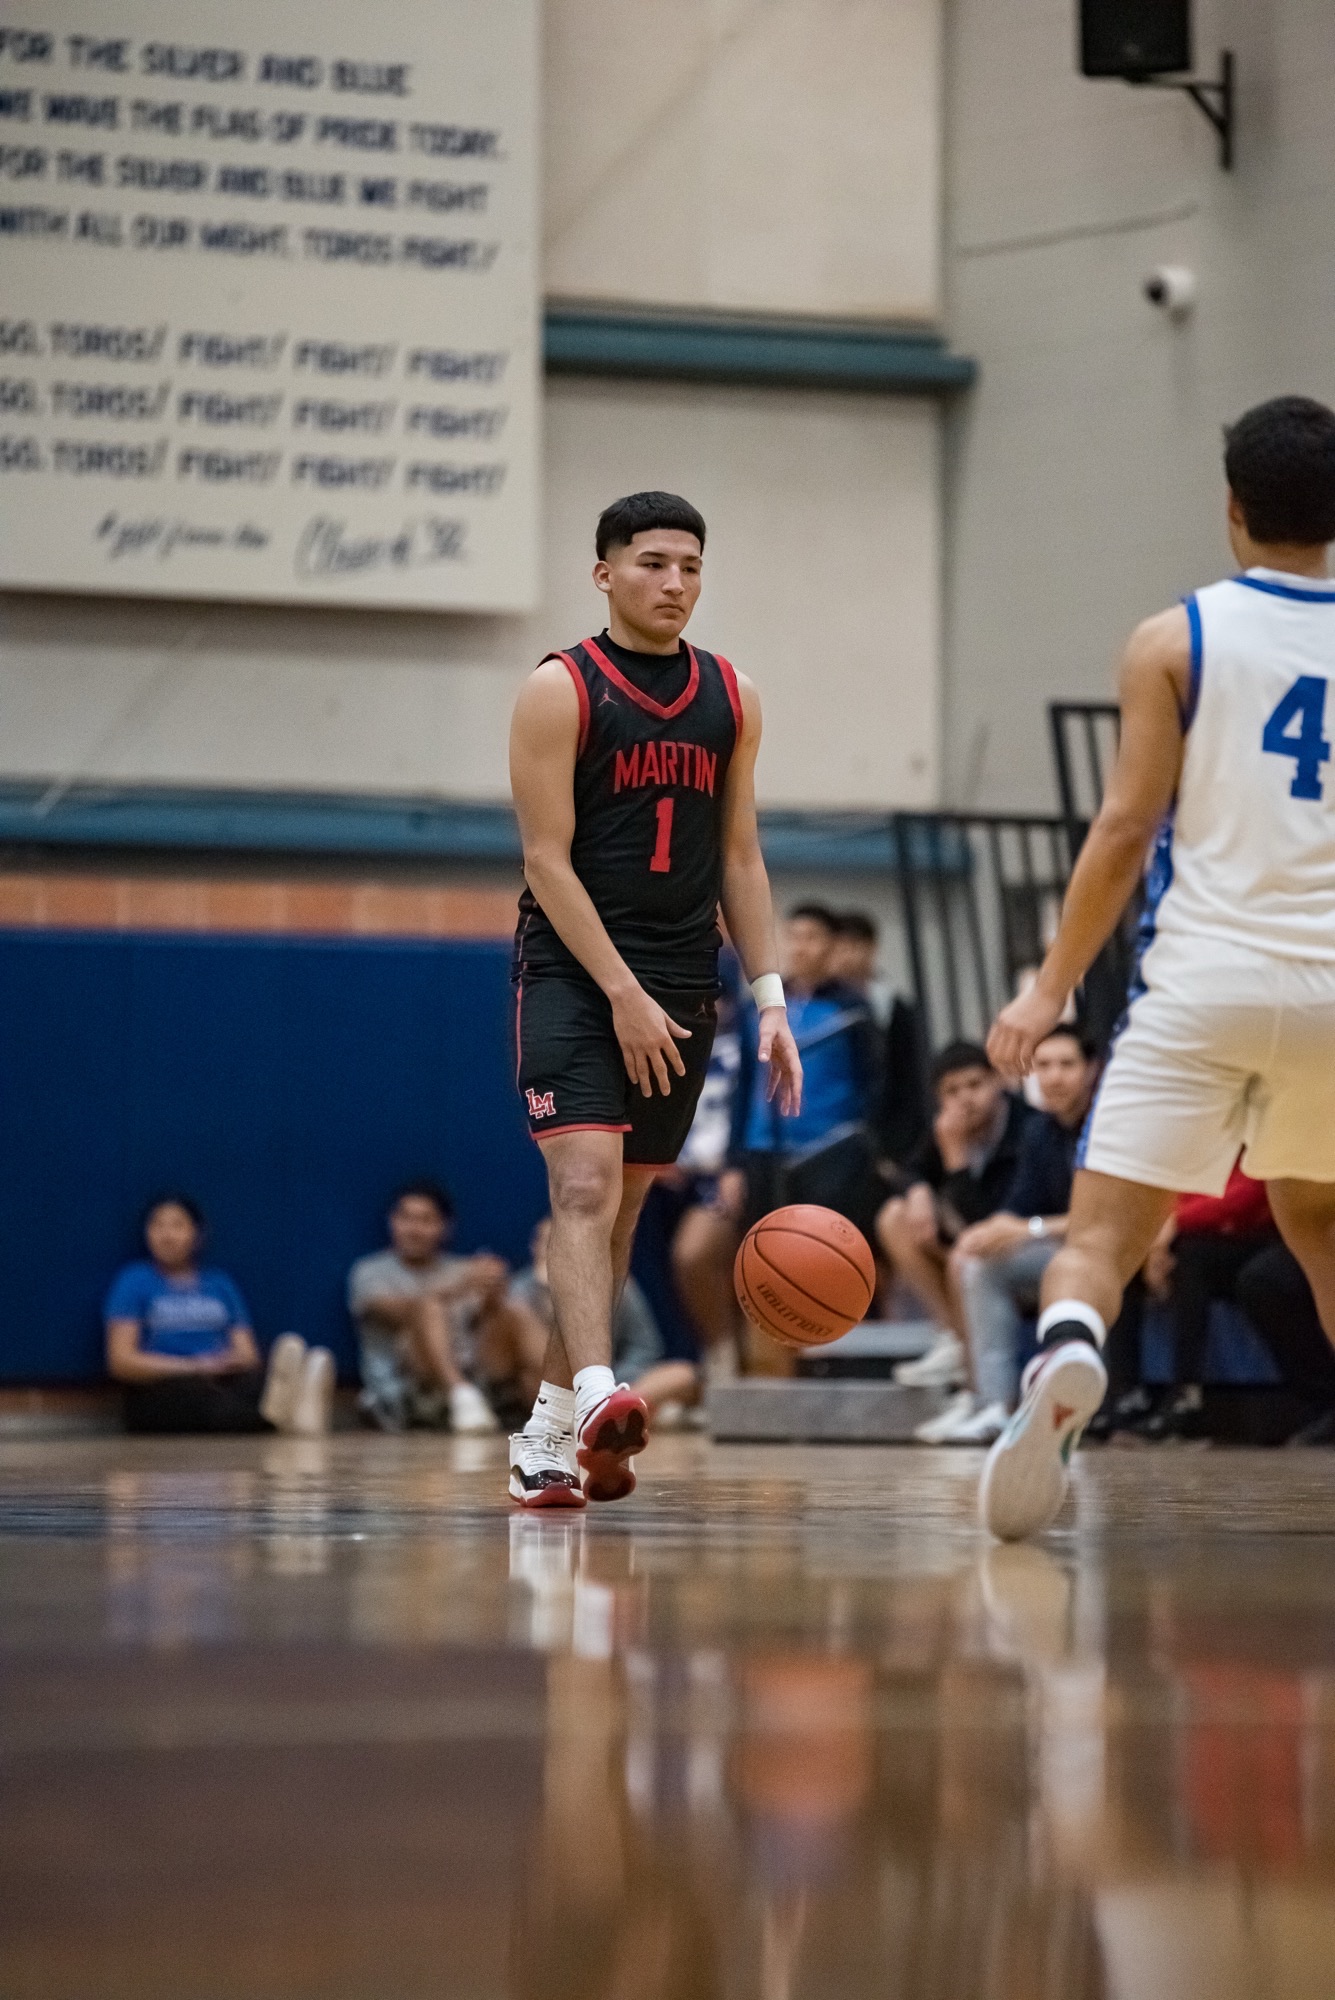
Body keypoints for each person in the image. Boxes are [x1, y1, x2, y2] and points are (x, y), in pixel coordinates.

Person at [981, 395, 1335, 1540]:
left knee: (1097, 1245)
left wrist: (1047, 988)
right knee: (1321, 1222)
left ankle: (1072, 1355)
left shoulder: (1174, 637)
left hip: (1205, 983)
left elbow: (1126, 829)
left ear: (1231, 507)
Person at [507, 490, 802, 1507]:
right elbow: (546, 860)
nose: (673, 582)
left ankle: (548, 1432)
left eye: (689, 565)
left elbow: (741, 856)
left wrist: (769, 998)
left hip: (683, 979)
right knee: (582, 1190)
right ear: (604, 573)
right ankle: (597, 1392)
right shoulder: (560, 689)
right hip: (576, 974)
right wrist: (620, 989)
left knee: (621, 1207)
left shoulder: (732, 695)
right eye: (651, 563)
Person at [915, 1026, 1099, 1446]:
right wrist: (986, 1231)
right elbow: (1009, 1214)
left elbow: (1108, 1219)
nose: (1054, 1077)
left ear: (1092, 1070)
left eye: (1067, 1064)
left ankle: (1004, 1400)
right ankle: (988, 1403)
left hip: (1109, 1250)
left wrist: (1026, 1228)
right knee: (974, 1258)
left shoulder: (1102, 1127)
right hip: (1061, 1249)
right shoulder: (1042, 1132)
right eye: (1045, 1065)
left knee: (990, 1265)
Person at [105, 1194, 334, 1436]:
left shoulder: (219, 1284)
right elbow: (121, 1361)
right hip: (163, 1385)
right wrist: (192, 1366)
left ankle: (290, 1400)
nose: (167, 1235)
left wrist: (224, 1363)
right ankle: (288, 1416)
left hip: (220, 1379)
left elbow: (248, 1354)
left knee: (252, 1382)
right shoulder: (133, 1281)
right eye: (157, 1226)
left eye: (177, 1226)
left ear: (197, 1234)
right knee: (195, 1395)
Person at [879, 1042, 1033, 1390]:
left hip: (1021, 1245)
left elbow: (990, 1223)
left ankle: (974, 1377)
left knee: (965, 1253)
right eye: (952, 1091)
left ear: (999, 1082)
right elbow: (910, 1169)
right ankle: (954, 1340)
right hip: (978, 1243)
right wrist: (917, 1191)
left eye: (975, 1085)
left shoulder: (1027, 1129)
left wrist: (956, 1160)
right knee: (894, 1217)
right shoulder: (948, 1128)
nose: (965, 1099)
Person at [734, 902, 880, 1247]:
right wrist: (734, 1159)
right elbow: (743, 1084)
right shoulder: (761, 1005)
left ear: (831, 945)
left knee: (825, 1253)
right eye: (794, 936)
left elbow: (873, 1080)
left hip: (829, 1150)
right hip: (764, 1149)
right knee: (764, 1253)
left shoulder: (852, 1008)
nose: (801, 946)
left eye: (812, 937)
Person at [348, 1181, 544, 1434]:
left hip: (478, 1378)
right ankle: (460, 1393)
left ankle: (565, 1402)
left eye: (426, 1220)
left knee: (515, 1311)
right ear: (392, 1221)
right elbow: (398, 1311)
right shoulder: (370, 1271)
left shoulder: (462, 1268)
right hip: (410, 1389)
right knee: (428, 1306)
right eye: (406, 1218)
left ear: (445, 1227)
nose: (414, 1229)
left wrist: (493, 1297)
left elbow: (479, 1325)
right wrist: (459, 1287)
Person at [1136, 1159, 1278, 1441]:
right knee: (1132, 1261)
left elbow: (1246, 1198)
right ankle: (1125, 1397)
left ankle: (1187, 1396)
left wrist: (1171, 1226)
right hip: (1205, 1235)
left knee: (1193, 1258)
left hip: (1260, 1236)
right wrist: (1156, 1241)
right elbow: (1175, 1190)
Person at [511, 1218, 697, 1418]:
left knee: (683, 1374)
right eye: (545, 1241)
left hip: (612, 1383)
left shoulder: (618, 1285)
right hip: (550, 1385)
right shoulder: (519, 1291)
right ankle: (621, 1412)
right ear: (534, 1246)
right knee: (529, 1381)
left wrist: (611, 1381)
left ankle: (607, 1410)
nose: (552, 1249)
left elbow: (645, 1346)